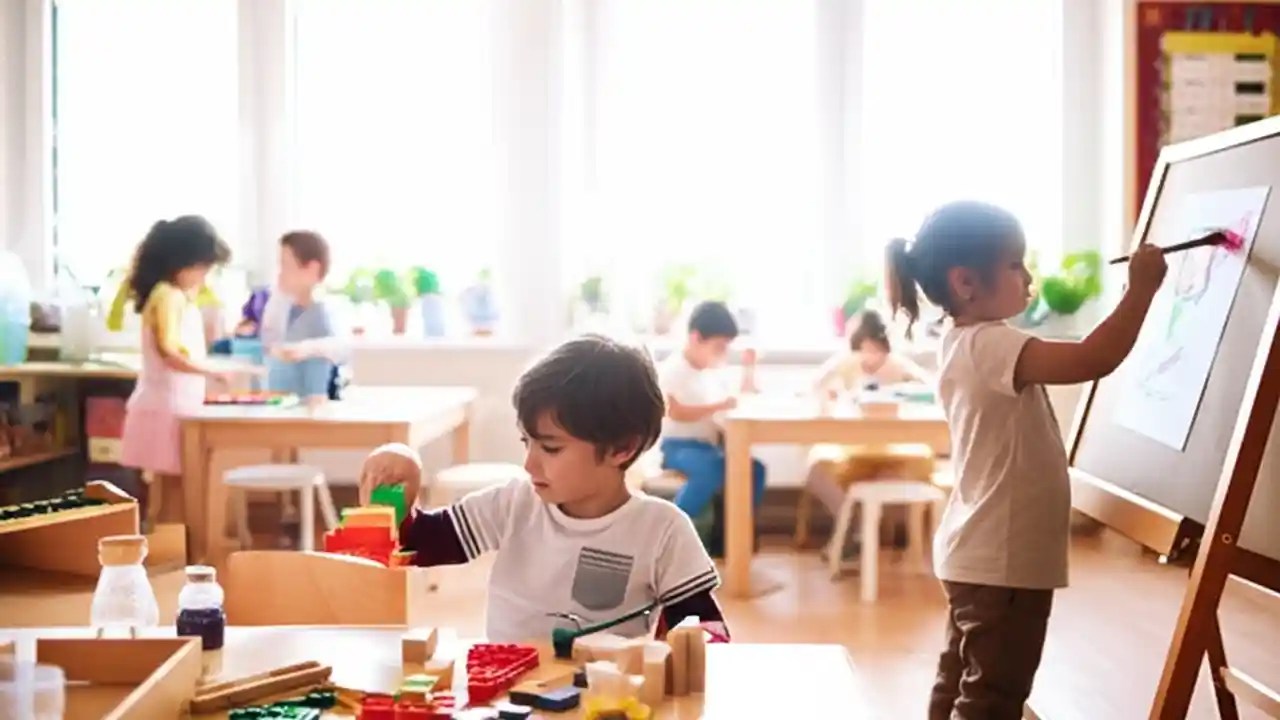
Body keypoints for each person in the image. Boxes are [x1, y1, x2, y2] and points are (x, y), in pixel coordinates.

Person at [883, 200, 1167, 720]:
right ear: (966, 282)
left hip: (983, 552)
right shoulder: (990, 344)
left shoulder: (962, 342)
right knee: (993, 696)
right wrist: (1141, 291)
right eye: (1016, 264)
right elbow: (1092, 359)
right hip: (1004, 561)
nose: (1029, 276)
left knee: (962, 679)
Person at [361, 335, 729, 643]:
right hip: (509, 697)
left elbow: (704, 630)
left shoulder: (662, 530)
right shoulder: (514, 502)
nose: (530, 464)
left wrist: (687, 649)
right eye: (527, 443)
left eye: (551, 448)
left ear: (622, 449)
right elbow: (420, 542)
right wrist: (396, 486)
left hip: (602, 702)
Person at [118, 216, 255, 522]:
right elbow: (168, 352)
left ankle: (173, 553)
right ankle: (178, 553)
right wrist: (211, 373)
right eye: (203, 268)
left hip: (172, 404)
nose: (204, 277)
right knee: (176, 487)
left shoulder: (171, 295)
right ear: (184, 261)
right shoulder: (168, 296)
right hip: (168, 407)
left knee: (169, 487)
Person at [657, 301, 766, 535]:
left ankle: (735, 536)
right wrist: (719, 406)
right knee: (712, 469)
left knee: (754, 469)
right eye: (718, 346)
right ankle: (672, 532)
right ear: (696, 338)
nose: (722, 353)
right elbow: (674, 411)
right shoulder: (675, 370)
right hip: (677, 447)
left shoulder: (710, 374)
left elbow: (738, 399)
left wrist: (749, 369)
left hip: (706, 447)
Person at [265, 231, 339, 404]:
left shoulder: (319, 314)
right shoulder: (286, 308)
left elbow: (317, 391)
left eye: (286, 266)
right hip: (282, 406)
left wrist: (304, 349)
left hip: (306, 415)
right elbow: (270, 343)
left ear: (312, 269)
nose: (280, 274)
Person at [813, 309, 931, 397]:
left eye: (877, 350)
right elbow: (817, 384)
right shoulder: (846, 362)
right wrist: (832, 393)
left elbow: (929, 386)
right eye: (868, 349)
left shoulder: (897, 365)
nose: (872, 356)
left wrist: (908, 391)